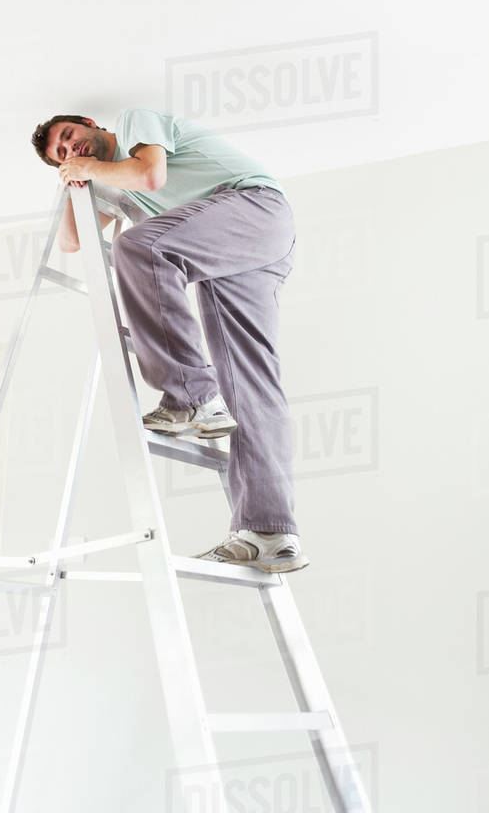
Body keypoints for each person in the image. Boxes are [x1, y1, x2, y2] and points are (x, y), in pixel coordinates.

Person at [30, 106, 306, 574]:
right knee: (249, 384)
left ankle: (190, 397)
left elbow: (152, 175)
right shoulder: (109, 177)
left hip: (251, 208)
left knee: (139, 246)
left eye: (71, 136)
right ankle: (269, 532)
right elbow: (73, 243)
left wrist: (87, 166)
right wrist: (74, 180)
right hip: (241, 247)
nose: (70, 148)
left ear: (93, 126)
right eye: (61, 153)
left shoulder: (137, 120)